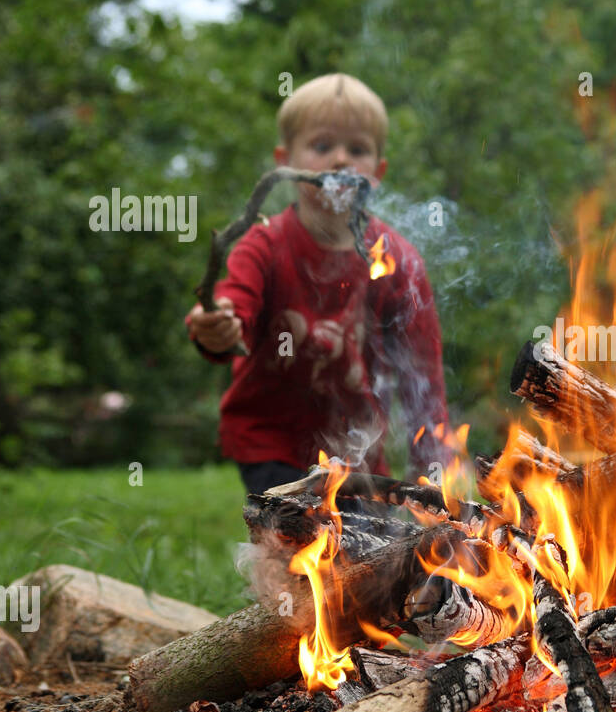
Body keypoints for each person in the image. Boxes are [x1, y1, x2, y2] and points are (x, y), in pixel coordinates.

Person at [187, 73, 449, 495]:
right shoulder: (264, 245)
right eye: (322, 146)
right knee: (290, 545)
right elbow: (232, 305)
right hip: (272, 443)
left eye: (358, 149)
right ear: (284, 161)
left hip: (359, 452)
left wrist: (434, 466)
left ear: (377, 172)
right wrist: (217, 325)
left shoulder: (396, 260)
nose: (341, 160)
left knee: (366, 556)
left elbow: (423, 377)